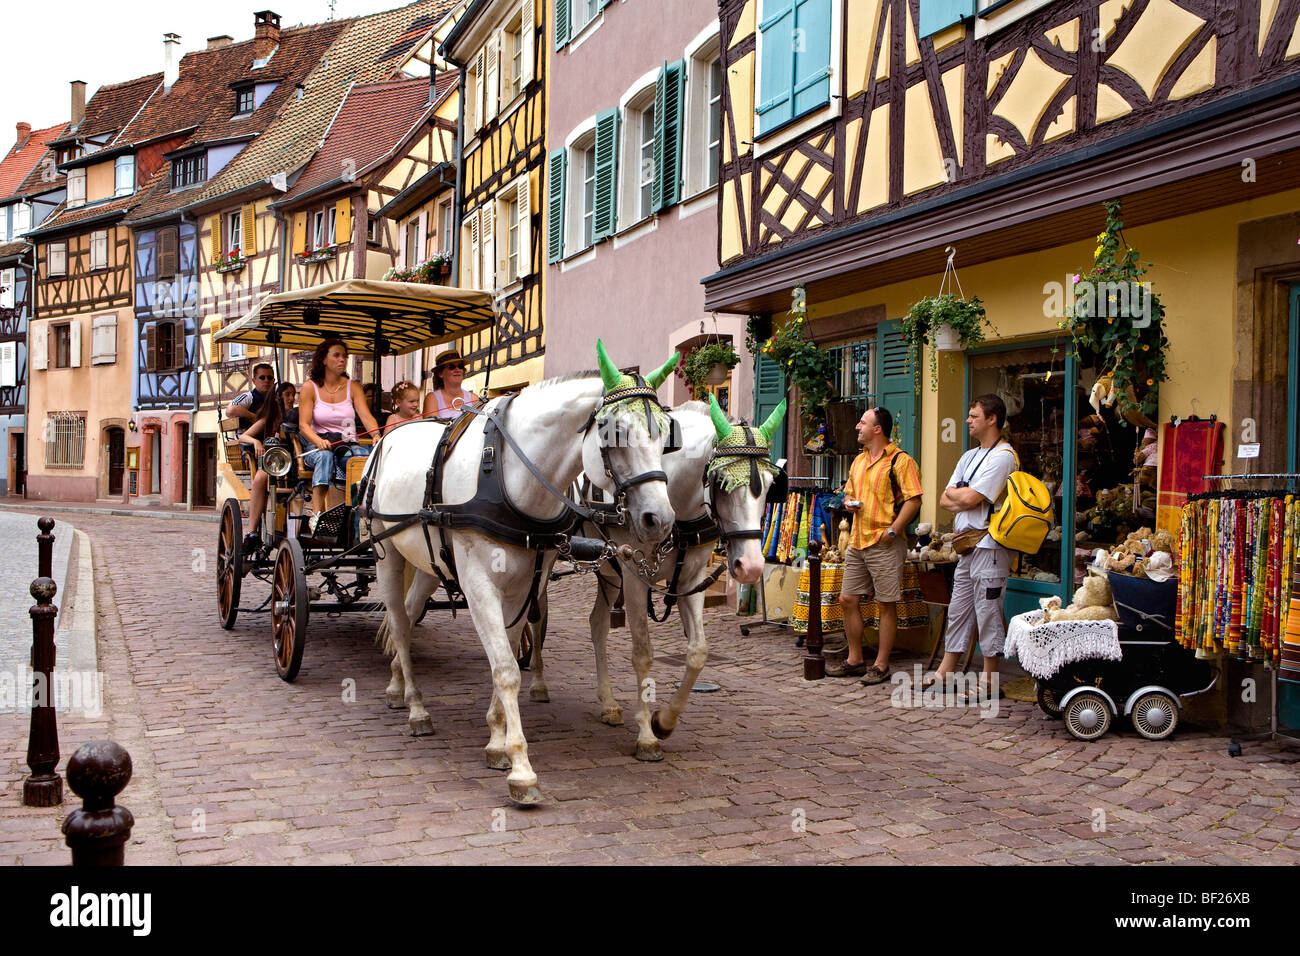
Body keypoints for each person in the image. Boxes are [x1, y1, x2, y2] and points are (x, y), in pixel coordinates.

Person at [825, 406, 923, 685]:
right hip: (857, 539)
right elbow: (849, 494)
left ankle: (881, 664)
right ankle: (855, 660)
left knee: (885, 604)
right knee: (847, 600)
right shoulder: (858, 461)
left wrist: (893, 531)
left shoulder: (901, 461)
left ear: (877, 429)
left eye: (863, 422)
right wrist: (848, 503)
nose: (857, 426)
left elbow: (914, 499)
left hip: (884, 542)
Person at [933, 394, 1019, 700]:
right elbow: (944, 498)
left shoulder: (1004, 456)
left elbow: (967, 499)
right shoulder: (969, 456)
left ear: (992, 419)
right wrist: (963, 495)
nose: (968, 421)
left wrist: (963, 494)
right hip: (967, 545)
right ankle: (946, 670)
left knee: (987, 611)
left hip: (991, 545)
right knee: (959, 609)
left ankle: (989, 680)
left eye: (974, 416)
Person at [298, 338, 380, 522]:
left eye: (345, 356)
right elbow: (303, 425)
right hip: (317, 444)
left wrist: (376, 435)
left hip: (345, 443)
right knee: (325, 456)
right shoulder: (309, 387)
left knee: (361, 458)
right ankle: (317, 514)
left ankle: (363, 511)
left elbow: (366, 417)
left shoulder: (354, 387)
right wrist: (318, 441)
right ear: (324, 360)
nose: (342, 359)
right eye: (336, 355)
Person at [236, 382, 294, 551]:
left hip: (295, 462)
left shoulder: (297, 415)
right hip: (273, 462)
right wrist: (256, 442)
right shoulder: (267, 419)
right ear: (277, 398)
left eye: (293, 395)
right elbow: (244, 437)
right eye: (287, 395)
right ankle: (252, 532)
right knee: (260, 478)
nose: (291, 398)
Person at [422, 349, 479, 420]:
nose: (457, 370)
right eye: (452, 367)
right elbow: (431, 428)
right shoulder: (432, 399)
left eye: (460, 366)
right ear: (440, 373)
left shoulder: (474, 399)